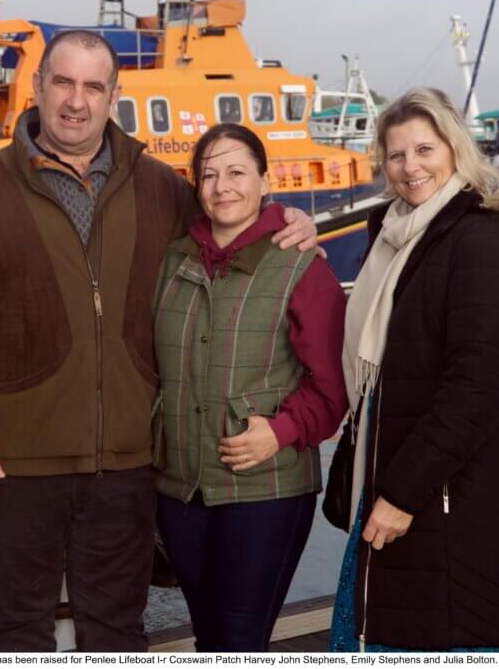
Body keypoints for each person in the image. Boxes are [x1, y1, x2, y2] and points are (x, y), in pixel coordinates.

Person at [0, 30, 318, 652]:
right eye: (63, 82)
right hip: (17, 461)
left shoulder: (160, 187)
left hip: (130, 462)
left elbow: (232, 220)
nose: (76, 101)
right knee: (18, 628)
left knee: (115, 632)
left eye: (93, 86)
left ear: (114, 96)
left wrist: (289, 220)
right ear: (39, 86)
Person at [328, 88, 499, 652]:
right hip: (405, 477)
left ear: (456, 149)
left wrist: (402, 494)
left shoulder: (487, 238)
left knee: (460, 632)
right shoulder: (401, 239)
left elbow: (479, 386)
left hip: (458, 495)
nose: (411, 167)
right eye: (396, 154)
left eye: (425, 150)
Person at [152, 123, 348, 651]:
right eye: (209, 174)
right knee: (208, 637)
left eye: (237, 171)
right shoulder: (172, 261)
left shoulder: (302, 266)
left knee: (241, 640)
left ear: (266, 181)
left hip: (266, 491)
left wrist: (281, 431)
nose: (223, 186)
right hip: (182, 492)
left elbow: (334, 386)